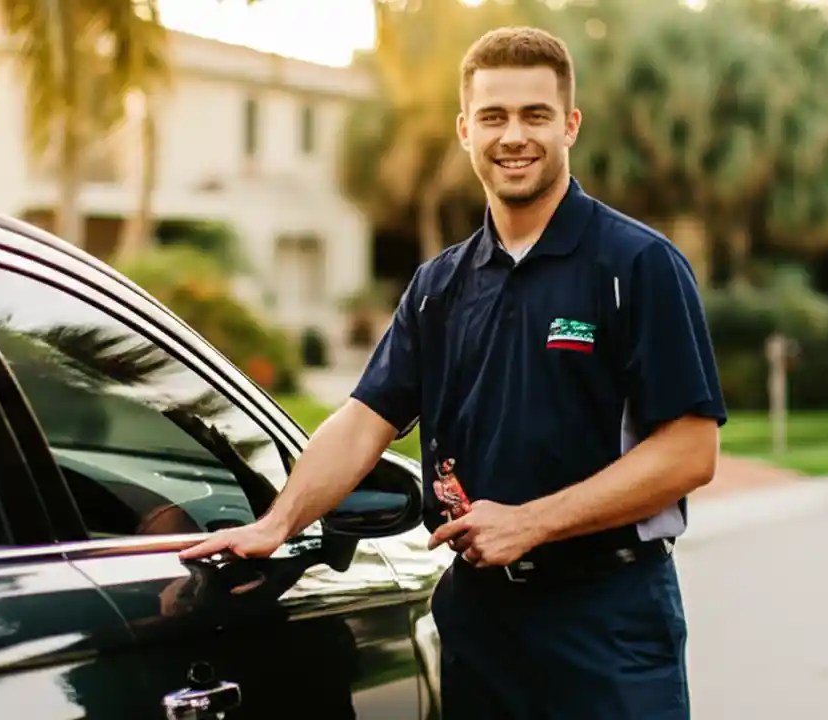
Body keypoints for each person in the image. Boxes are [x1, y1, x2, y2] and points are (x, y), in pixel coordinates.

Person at [181, 25, 726, 719]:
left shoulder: (638, 266)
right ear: (466, 130)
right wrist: (278, 523)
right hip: (481, 619)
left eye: (536, 115)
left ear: (571, 126)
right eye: (494, 117)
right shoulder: (439, 287)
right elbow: (361, 423)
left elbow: (689, 451)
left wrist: (531, 523)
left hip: (606, 617)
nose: (514, 137)